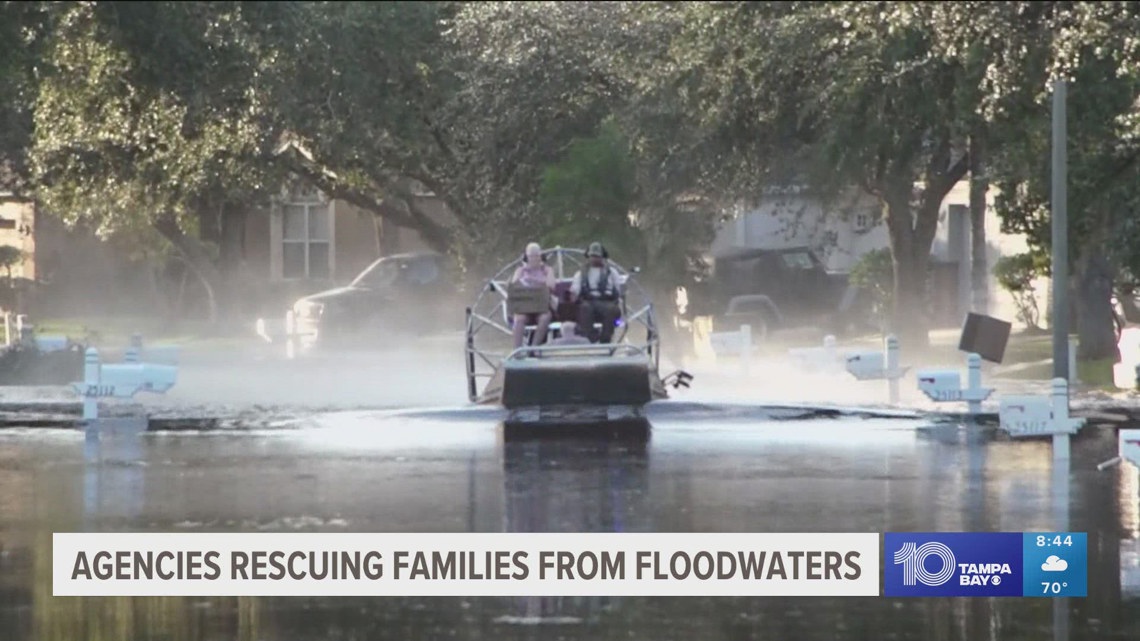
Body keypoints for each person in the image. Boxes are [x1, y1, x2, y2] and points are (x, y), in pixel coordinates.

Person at [569, 241, 623, 343]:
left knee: (612, 310)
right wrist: (573, 295)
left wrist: (615, 300)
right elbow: (575, 289)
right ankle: (591, 338)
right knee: (584, 308)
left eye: (597, 256)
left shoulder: (612, 272)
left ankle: (605, 340)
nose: (594, 258)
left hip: (607, 302)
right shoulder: (580, 273)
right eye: (591, 256)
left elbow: (618, 291)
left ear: (603, 257)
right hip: (588, 302)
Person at [509, 242, 556, 349]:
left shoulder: (547, 270)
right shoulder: (520, 271)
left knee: (545, 317)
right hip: (525, 307)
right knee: (519, 319)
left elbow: (551, 286)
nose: (534, 259)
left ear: (541, 256)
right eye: (531, 256)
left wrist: (536, 283)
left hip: (541, 306)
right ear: (526, 257)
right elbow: (514, 287)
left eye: (537, 256)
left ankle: (533, 348)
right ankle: (517, 350)